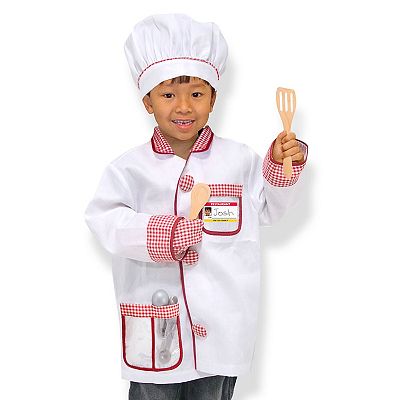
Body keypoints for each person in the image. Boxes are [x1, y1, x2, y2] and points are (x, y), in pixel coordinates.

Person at [84, 13, 308, 400]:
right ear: (147, 102)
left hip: (222, 328)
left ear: (214, 98)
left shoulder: (239, 161)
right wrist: (166, 234)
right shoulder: (129, 169)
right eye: (168, 95)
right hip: (156, 325)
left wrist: (282, 164)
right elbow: (104, 220)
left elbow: (269, 209)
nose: (184, 107)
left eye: (197, 94)